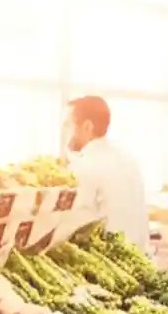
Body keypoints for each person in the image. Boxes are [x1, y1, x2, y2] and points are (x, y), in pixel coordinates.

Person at [64, 96, 149, 250]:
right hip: (139, 258)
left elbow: (74, 225)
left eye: (68, 125)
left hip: (109, 257)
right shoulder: (128, 160)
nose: (65, 133)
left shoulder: (83, 166)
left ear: (87, 127)